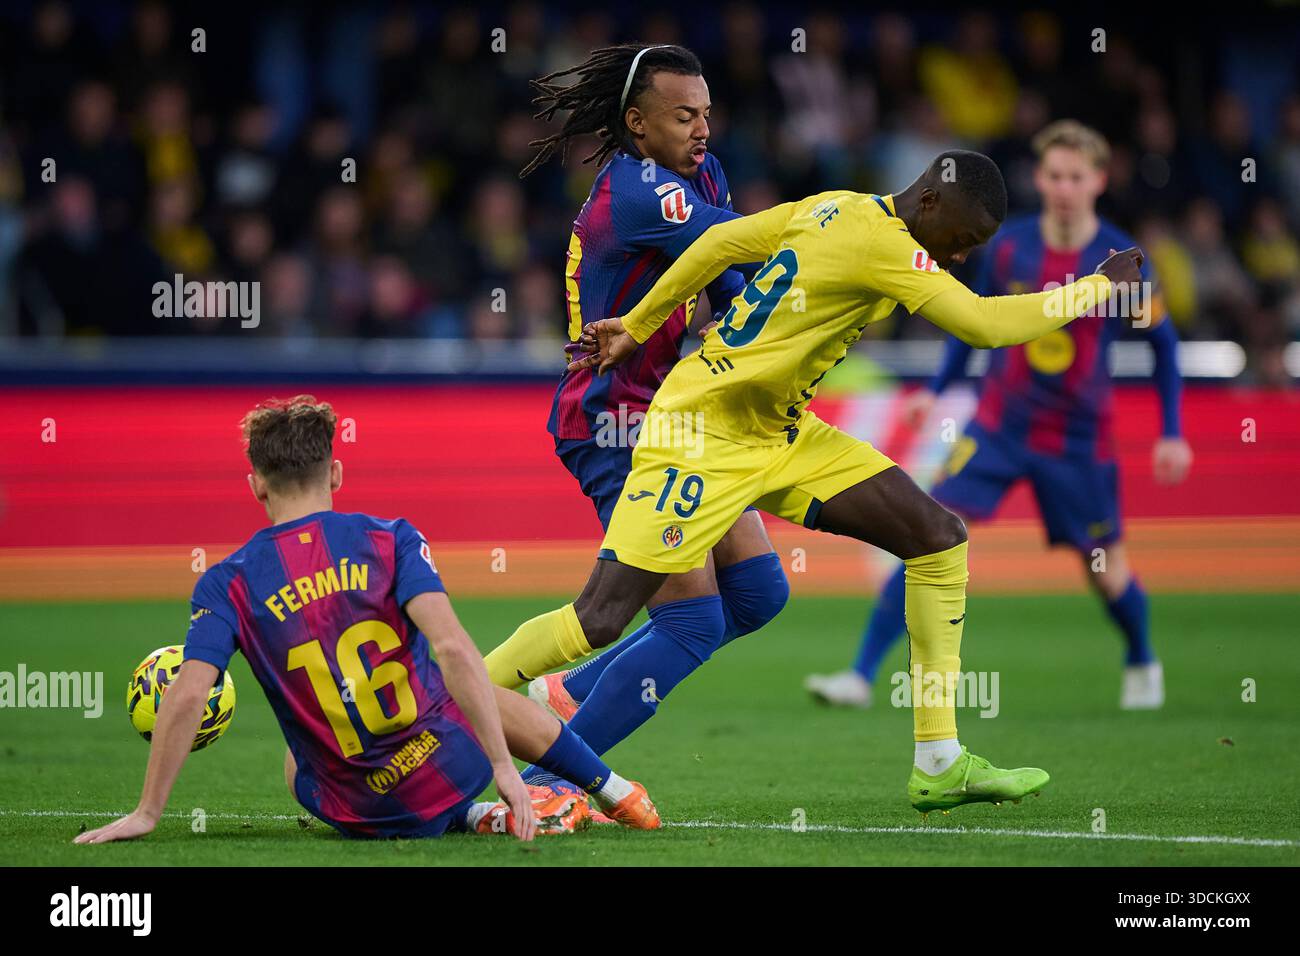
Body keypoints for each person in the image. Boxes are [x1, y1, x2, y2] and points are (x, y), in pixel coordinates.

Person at [489, 150, 1147, 814]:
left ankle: (940, 761)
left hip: (778, 430)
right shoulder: (889, 246)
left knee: (938, 538)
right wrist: (1097, 285)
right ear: (929, 204)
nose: (956, 259)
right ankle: (452, 701)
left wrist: (638, 324)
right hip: (703, 432)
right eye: (960, 241)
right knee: (600, 616)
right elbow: (984, 325)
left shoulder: (838, 204)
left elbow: (717, 242)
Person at [75, 396, 658, 845]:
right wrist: (505, 768)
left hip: (351, 810)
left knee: (294, 758)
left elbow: (187, 693)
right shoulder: (390, 540)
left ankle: (474, 819)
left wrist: (148, 811)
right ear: (335, 474)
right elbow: (453, 651)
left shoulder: (226, 581)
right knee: (473, 678)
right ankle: (615, 791)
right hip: (453, 767)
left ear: (256, 486)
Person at [805, 121, 1190, 712]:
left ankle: (1141, 655)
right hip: (998, 427)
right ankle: (859, 674)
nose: (1063, 187)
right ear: (1039, 178)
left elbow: (1163, 344)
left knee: (1105, 570)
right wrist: (936, 391)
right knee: (925, 532)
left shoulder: (1120, 260)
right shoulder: (1011, 246)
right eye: (1054, 175)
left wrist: (1171, 431)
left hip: (1078, 441)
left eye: (1076, 177)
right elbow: (971, 323)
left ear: (1099, 181)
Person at [511, 44, 788, 795]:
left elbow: (733, 285)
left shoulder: (702, 176)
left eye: (706, 114)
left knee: (761, 594)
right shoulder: (638, 193)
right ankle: (553, 781)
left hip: (678, 417)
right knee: (691, 623)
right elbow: (751, 251)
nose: (702, 130)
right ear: (638, 124)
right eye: (682, 116)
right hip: (613, 421)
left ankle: (568, 692)